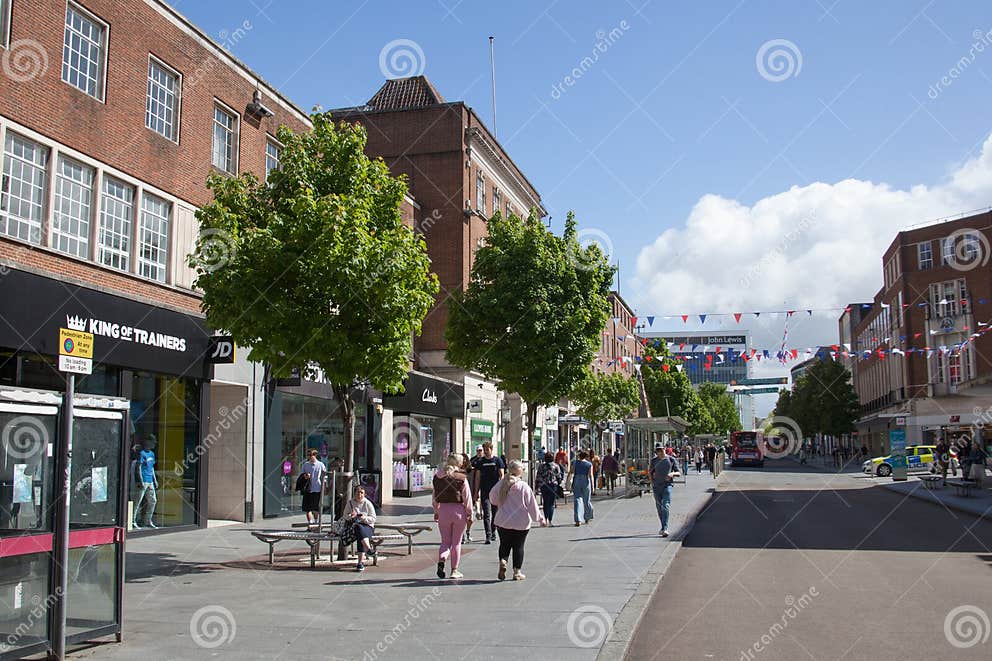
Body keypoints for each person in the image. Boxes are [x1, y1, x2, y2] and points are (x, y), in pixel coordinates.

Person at [488, 460, 547, 580]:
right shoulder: (523, 486)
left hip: (503, 521)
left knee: (504, 544)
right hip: (521, 522)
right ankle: (517, 572)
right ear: (519, 471)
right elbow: (532, 505)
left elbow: (492, 498)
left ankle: (503, 560)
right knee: (518, 547)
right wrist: (540, 519)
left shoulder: (501, 484)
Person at [433, 454, 472, 579]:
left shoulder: (437, 477)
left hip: (443, 510)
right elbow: (467, 497)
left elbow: (434, 497)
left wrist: (436, 511)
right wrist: (470, 513)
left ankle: (442, 559)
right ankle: (454, 570)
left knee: (445, 542)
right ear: (459, 464)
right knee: (456, 542)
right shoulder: (461, 478)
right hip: (458, 511)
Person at [473, 442, 505, 544]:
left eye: (487, 450)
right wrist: (476, 491)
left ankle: (493, 532)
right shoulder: (480, 462)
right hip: (484, 490)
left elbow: (502, 476)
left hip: (495, 491)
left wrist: (502, 490)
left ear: (491, 449)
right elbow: (477, 477)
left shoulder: (497, 460)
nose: (486, 452)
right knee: (486, 513)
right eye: (484, 450)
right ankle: (488, 535)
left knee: (495, 513)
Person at [340, 486, 377, 571]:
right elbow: (345, 516)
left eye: (361, 493)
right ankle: (367, 551)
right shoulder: (350, 503)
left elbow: (373, 518)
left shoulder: (368, 503)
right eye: (358, 492)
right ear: (354, 493)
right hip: (354, 527)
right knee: (358, 529)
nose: (359, 495)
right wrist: (351, 516)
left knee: (360, 533)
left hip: (368, 527)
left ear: (364, 494)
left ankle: (360, 562)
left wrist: (364, 518)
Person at [650, 445, 680, 537]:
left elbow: (678, 472)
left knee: (665, 505)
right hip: (656, 486)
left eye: (661, 450)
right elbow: (650, 472)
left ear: (664, 449)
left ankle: (665, 528)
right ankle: (663, 527)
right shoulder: (654, 461)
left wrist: (672, 474)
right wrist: (652, 483)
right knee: (659, 507)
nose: (660, 452)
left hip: (667, 485)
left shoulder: (671, 460)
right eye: (658, 450)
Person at [133, 435, 159, 529]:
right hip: (143, 480)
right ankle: (133, 520)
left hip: (150, 480)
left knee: (153, 500)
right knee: (138, 501)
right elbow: (138, 467)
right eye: (153, 442)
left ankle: (148, 520)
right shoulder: (142, 453)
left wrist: (154, 480)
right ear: (148, 442)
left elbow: (151, 468)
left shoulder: (152, 454)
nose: (154, 444)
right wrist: (140, 480)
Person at [535, 452, 563, 524]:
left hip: (544, 486)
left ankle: (546, 517)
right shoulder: (556, 466)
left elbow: (538, 476)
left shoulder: (541, 466)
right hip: (553, 486)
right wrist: (559, 484)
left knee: (545, 502)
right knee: (551, 503)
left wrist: (537, 486)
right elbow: (559, 477)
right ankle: (550, 519)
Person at [300, 449, 327, 526]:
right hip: (308, 488)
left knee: (315, 507)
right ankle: (310, 523)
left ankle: (316, 522)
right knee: (307, 508)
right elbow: (301, 475)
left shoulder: (320, 465)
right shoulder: (305, 465)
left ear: (315, 455)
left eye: (311, 455)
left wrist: (324, 487)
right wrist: (305, 476)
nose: (309, 457)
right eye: (308, 455)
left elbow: (324, 477)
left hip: (317, 488)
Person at [567, 451, 594, 526]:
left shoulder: (575, 463)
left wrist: (567, 481)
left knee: (577, 499)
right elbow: (591, 475)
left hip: (577, 480)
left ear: (579, 456)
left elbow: (571, 472)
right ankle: (587, 517)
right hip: (586, 481)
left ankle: (578, 520)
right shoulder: (589, 464)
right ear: (586, 457)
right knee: (586, 500)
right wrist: (593, 487)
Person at [459, 453, 476, 543]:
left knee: (470, 518)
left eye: (464, 459)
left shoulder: (470, 470)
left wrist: (475, 493)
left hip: (470, 493)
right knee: (462, 518)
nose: (463, 461)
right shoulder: (457, 472)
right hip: (461, 497)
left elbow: (473, 481)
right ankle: (461, 535)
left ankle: (468, 531)